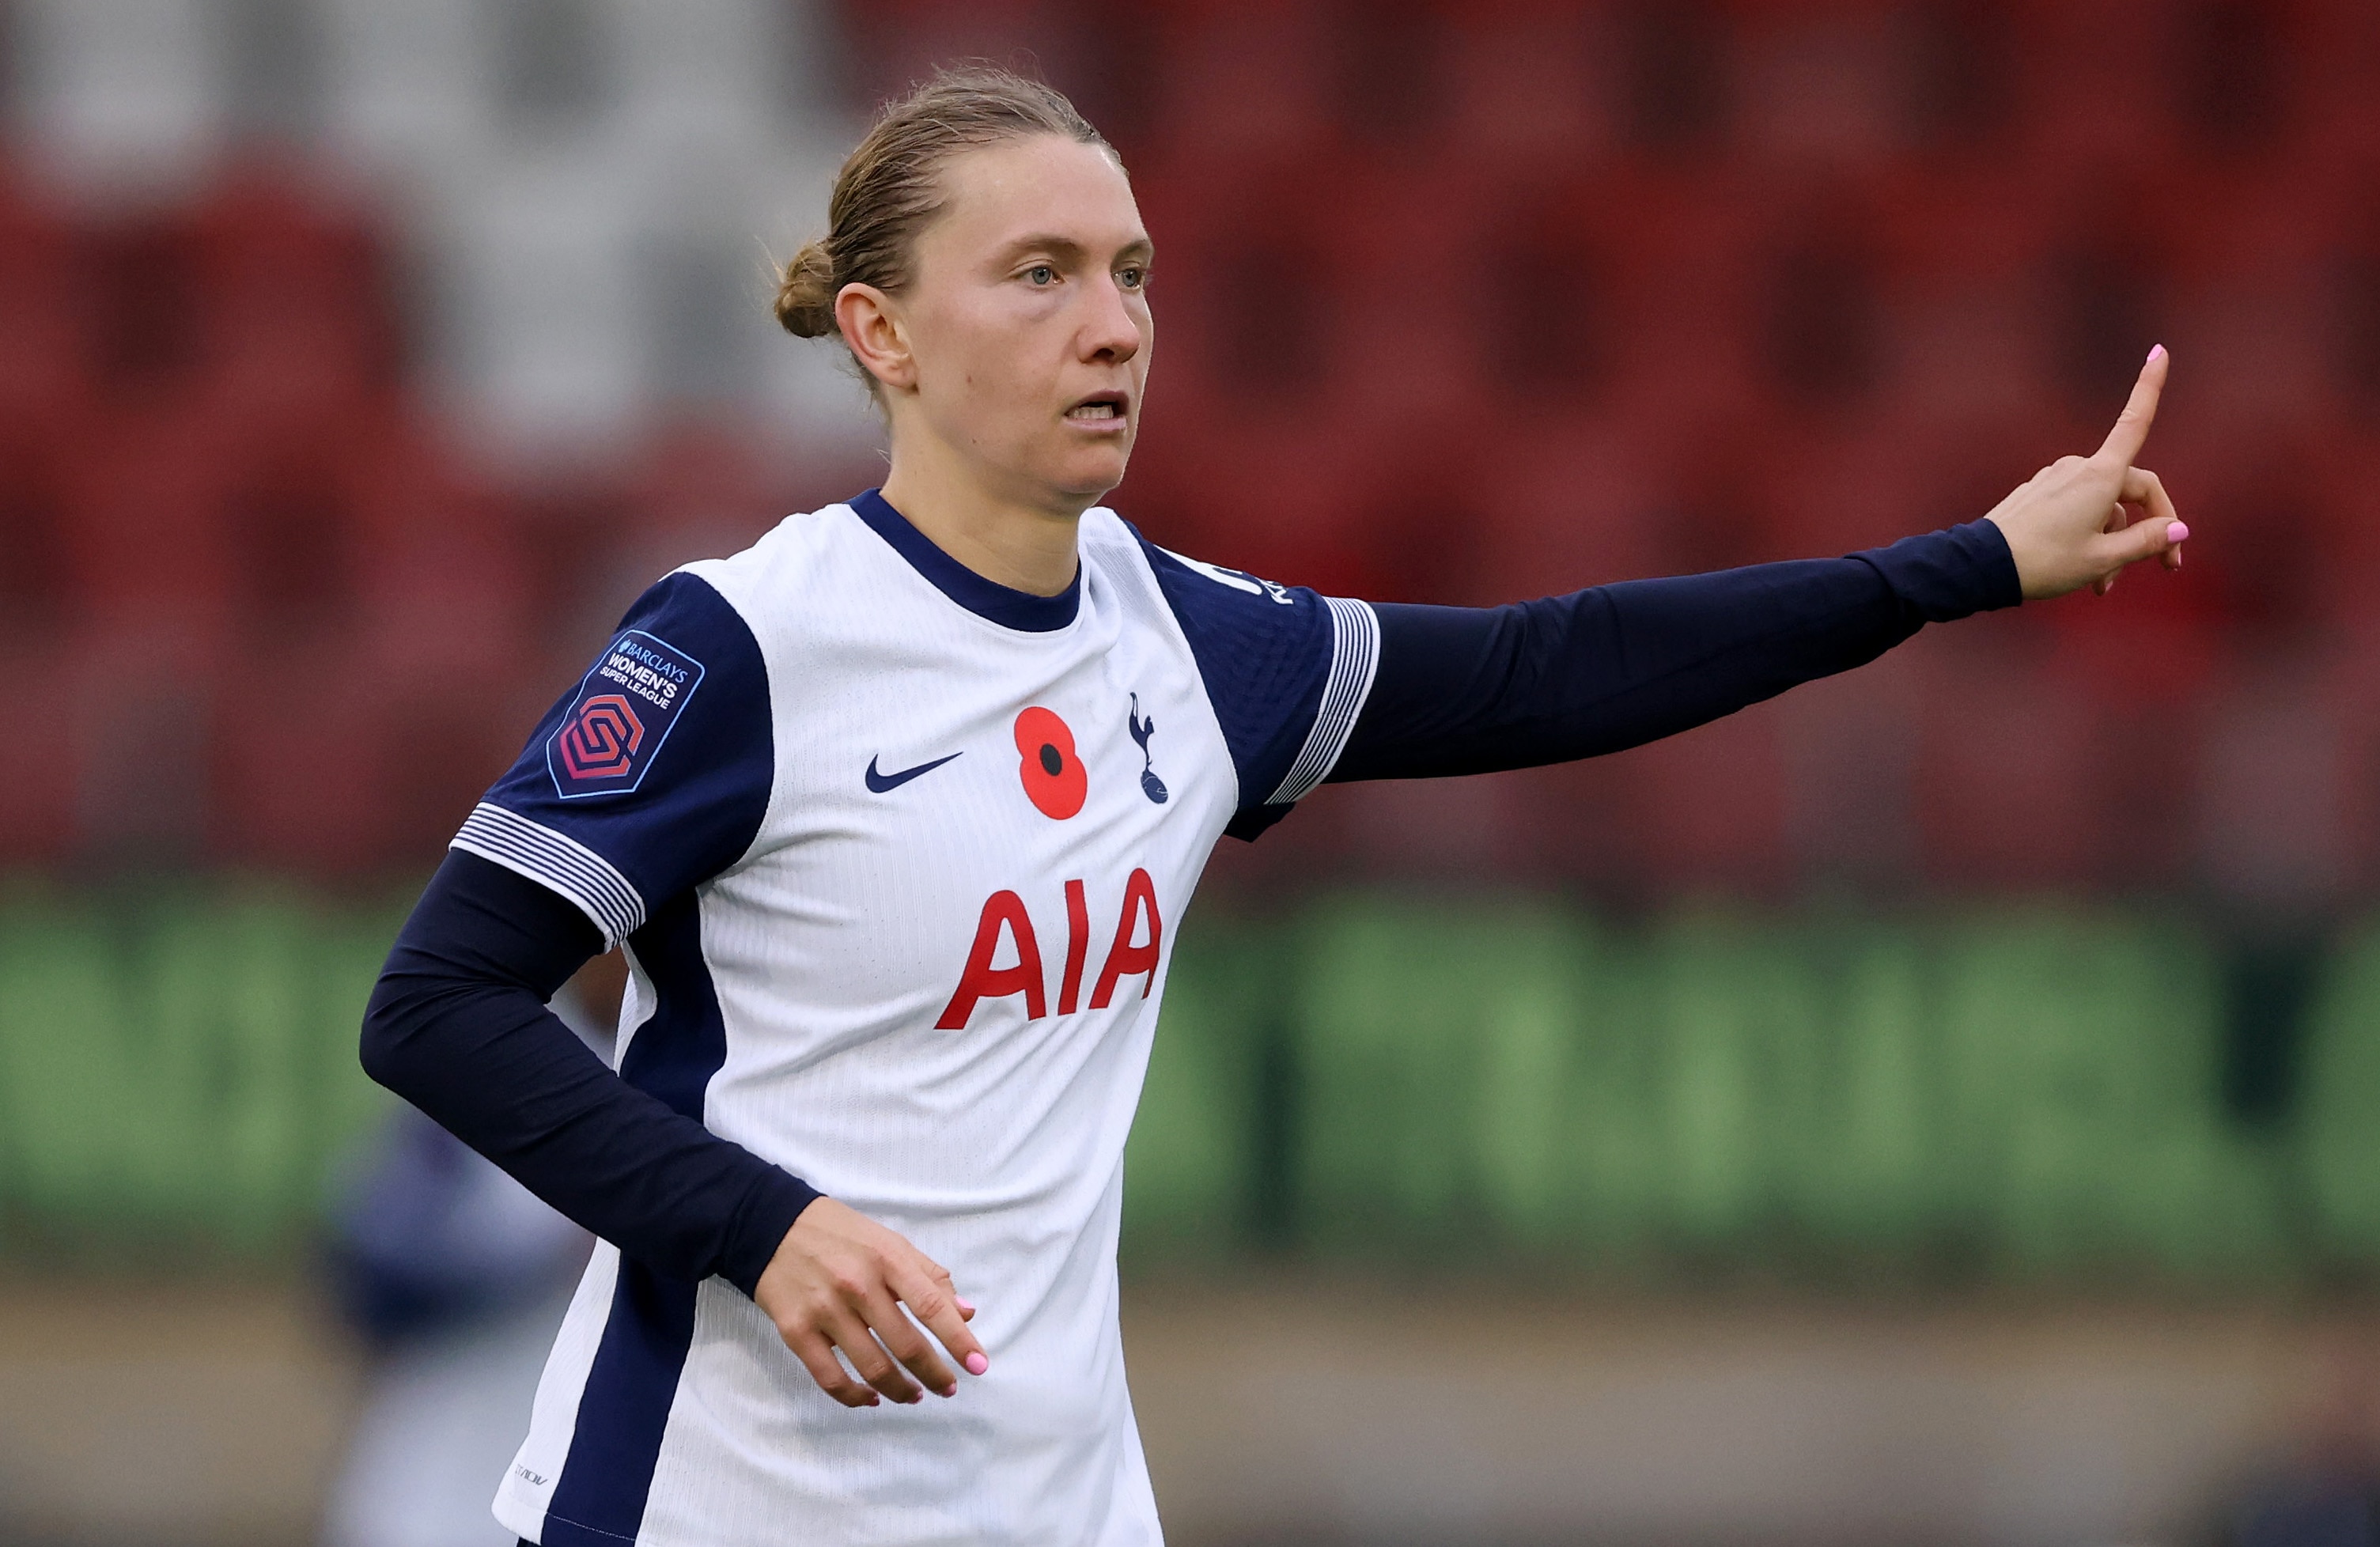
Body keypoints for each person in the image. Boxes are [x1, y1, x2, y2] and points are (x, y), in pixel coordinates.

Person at [360, 66, 2189, 1547]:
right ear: (881, 334)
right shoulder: (746, 644)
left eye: (1133, 273)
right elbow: (434, 1006)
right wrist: (752, 1221)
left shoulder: (1182, 644)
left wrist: (1957, 564)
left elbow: (1553, 667)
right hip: (704, 1512)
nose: (1114, 326)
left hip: (1059, 1512)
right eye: (1040, 275)